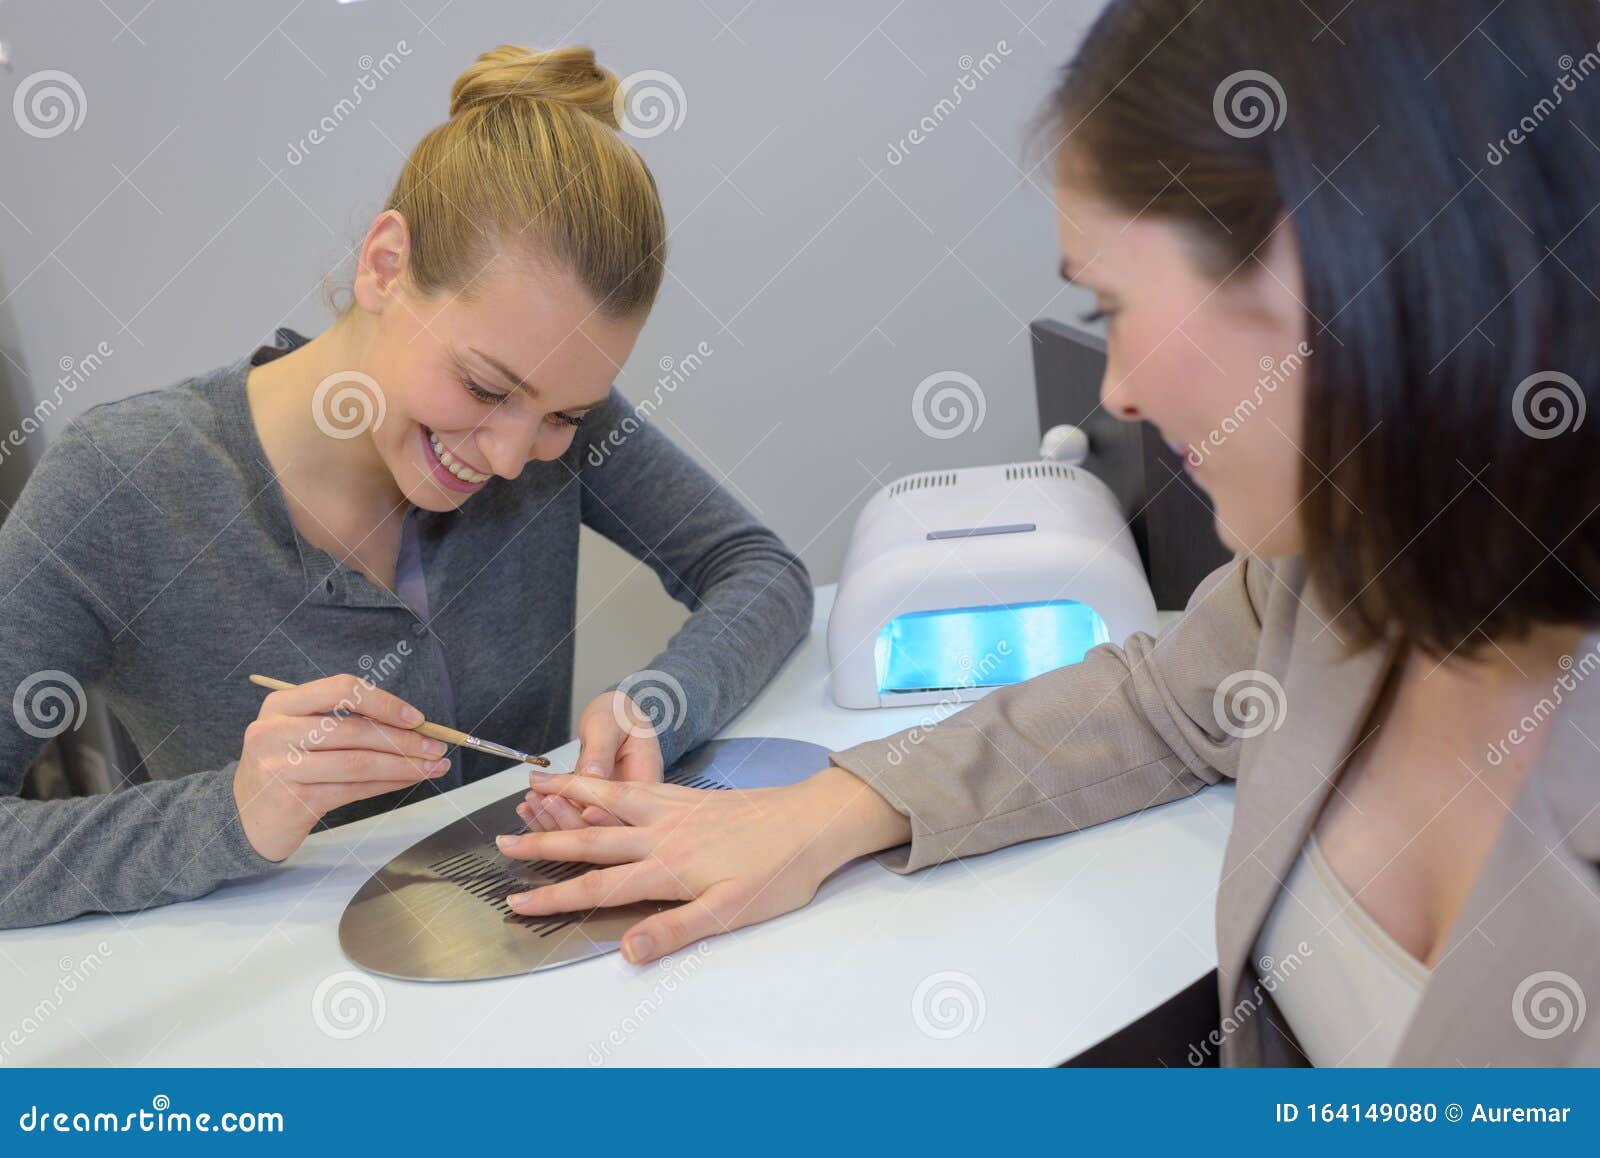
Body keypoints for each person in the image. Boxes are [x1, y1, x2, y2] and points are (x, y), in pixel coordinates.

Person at [502, 1, 1600, 1066]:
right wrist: (831, 809)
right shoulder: (1324, 581)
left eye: (1111, 306)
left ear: (1325, 267)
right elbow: (1157, 696)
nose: (1114, 392)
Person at [0, 45, 812, 929]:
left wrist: (657, 706)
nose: (510, 457)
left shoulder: (541, 410)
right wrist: (232, 813)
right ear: (384, 266)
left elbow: (759, 569)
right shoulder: (126, 483)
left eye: (562, 417)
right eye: (485, 388)